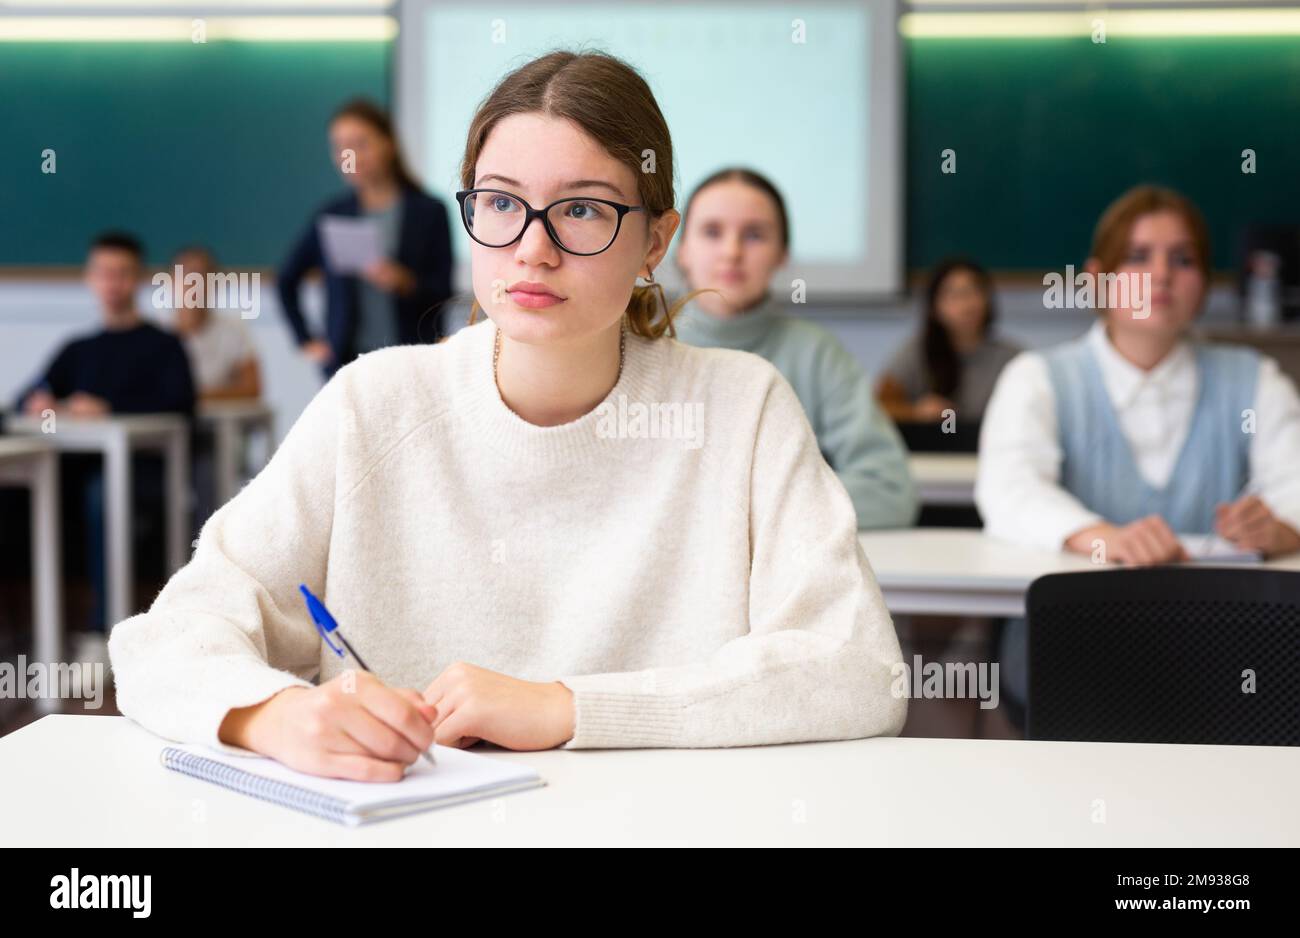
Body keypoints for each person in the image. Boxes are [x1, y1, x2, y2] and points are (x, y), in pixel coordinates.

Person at [109, 51, 907, 782]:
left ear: (656, 241)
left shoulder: (741, 406)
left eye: (584, 211)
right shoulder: (372, 403)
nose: (532, 248)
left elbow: (859, 669)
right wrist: (273, 715)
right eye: (500, 203)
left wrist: (568, 708)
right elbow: (170, 637)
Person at [976, 185, 1300, 709]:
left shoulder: (1256, 380)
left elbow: (1295, 483)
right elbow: (1009, 491)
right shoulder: (1037, 378)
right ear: (1096, 279)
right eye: (1138, 256)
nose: (1161, 275)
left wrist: (1281, 526)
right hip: (1073, 644)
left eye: (1183, 259)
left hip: (1223, 649)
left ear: (1204, 283)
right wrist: (1106, 539)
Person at [672, 167, 917, 530]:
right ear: (681, 250)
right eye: (712, 232)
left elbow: (890, 492)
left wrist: (749, 513)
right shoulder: (639, 342)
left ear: (782, 254)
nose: (732, 251)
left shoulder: (816, 353)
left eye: (755, 235)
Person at [14, 231, 196, 672]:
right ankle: (30, 632)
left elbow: (181, 406)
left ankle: (102, 635)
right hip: (74, 471)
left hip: (142, 472)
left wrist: (109, 408)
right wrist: (39, 403)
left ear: (136, 279)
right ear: (90, 279)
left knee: (102, 496)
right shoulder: (78, 350)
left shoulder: (163, 347)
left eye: (122, 273)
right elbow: (24, 400)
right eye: (103, 273)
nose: (112, 283)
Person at [277, 99, 454, 377]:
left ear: (388, 144)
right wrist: (306, 339)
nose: (349, 156)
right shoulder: (332, 215)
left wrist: (404, 282)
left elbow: (444, 291)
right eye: (339, 147)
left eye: (360, 143)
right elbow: (286, 279)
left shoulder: (429, 211)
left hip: (414, 361)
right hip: (347, 365)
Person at [877, 257, 1020, 426]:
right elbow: (880, 405)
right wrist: (915, 412)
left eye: (974, 292)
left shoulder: (1012, 358)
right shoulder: (917, 352)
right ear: (935, 306)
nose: (966, 305)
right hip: (934, 449)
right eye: (955, 295)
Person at [170, 246, 261, 401]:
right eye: (187, 276)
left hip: (222, 421)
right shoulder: (158, 332)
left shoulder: (233, 329)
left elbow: (252, 389)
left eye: (203, 276)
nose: (195, 285)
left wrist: (193, 397)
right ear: (172, 281)